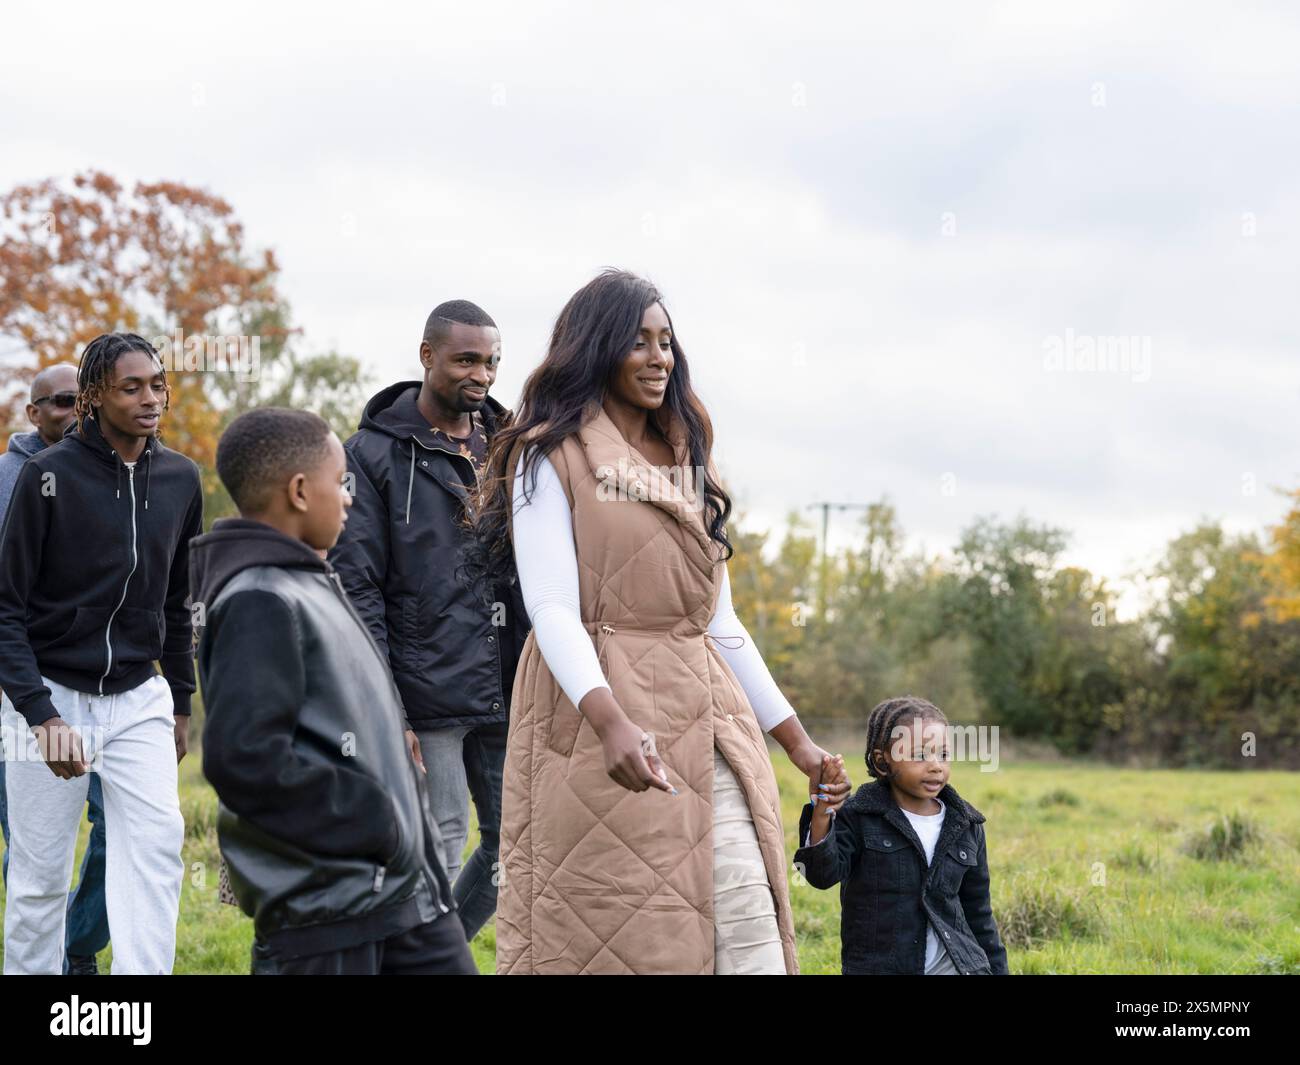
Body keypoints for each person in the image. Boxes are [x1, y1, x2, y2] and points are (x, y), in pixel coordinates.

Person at [466, 269, 851, 974]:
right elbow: (550, 606)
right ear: (596, 349)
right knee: (617, 937)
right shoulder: (550, 453)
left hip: (708, 717)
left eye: (666, 342)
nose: (658, 357)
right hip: (592, 721)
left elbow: (721, 622)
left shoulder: (688, 456)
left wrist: (796, 743)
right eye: (637, 342)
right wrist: (609, 721)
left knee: (749, 929)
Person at [194, 407, 476, 975]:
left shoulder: (312, 582)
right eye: (339, 483)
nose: (348, 498)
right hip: (328, 915)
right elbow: (245, 759)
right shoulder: (260, 598)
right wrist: (378, 819)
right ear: (299, 491)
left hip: (406, 897)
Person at [0, 334, 201, 975]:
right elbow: (6, 608)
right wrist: (41, 715)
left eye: (158, 384)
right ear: (92, 397)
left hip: (140, 697)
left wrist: (181, 701)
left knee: (156, 848)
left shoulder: (180, 478)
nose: (151, 399)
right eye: (131, 387)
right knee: (39, 874)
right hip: (51, 694)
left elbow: (177, 602)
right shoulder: (46, 476)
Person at [328, 300, 528, 941]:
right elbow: (355, 586)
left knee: (512, 853)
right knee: (438, 850)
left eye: (492, 361)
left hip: (510, 685)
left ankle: (428, 959)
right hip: (425, 691)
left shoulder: (516, 446)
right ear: (427, 356)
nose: (483, 374)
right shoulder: (369, 454)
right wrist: (388, 706)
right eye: (467, 359)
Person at [0, 362, 111, 975]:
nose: (75, 411)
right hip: (17, 695)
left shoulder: (111, 470)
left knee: (121, 829)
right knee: (32, 847)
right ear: (33, 413)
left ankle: (78, 943)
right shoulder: (6, 480)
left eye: (82, 400)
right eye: (62, 401)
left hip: (101, 694)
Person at [793, 695, 1010, 975]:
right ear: (883, 762)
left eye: (943, 754)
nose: (936, 765)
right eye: (920, 755)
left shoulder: (966, 825)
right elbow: (820, 875)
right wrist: (824, 811)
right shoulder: (860, 817)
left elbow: (979, 915)